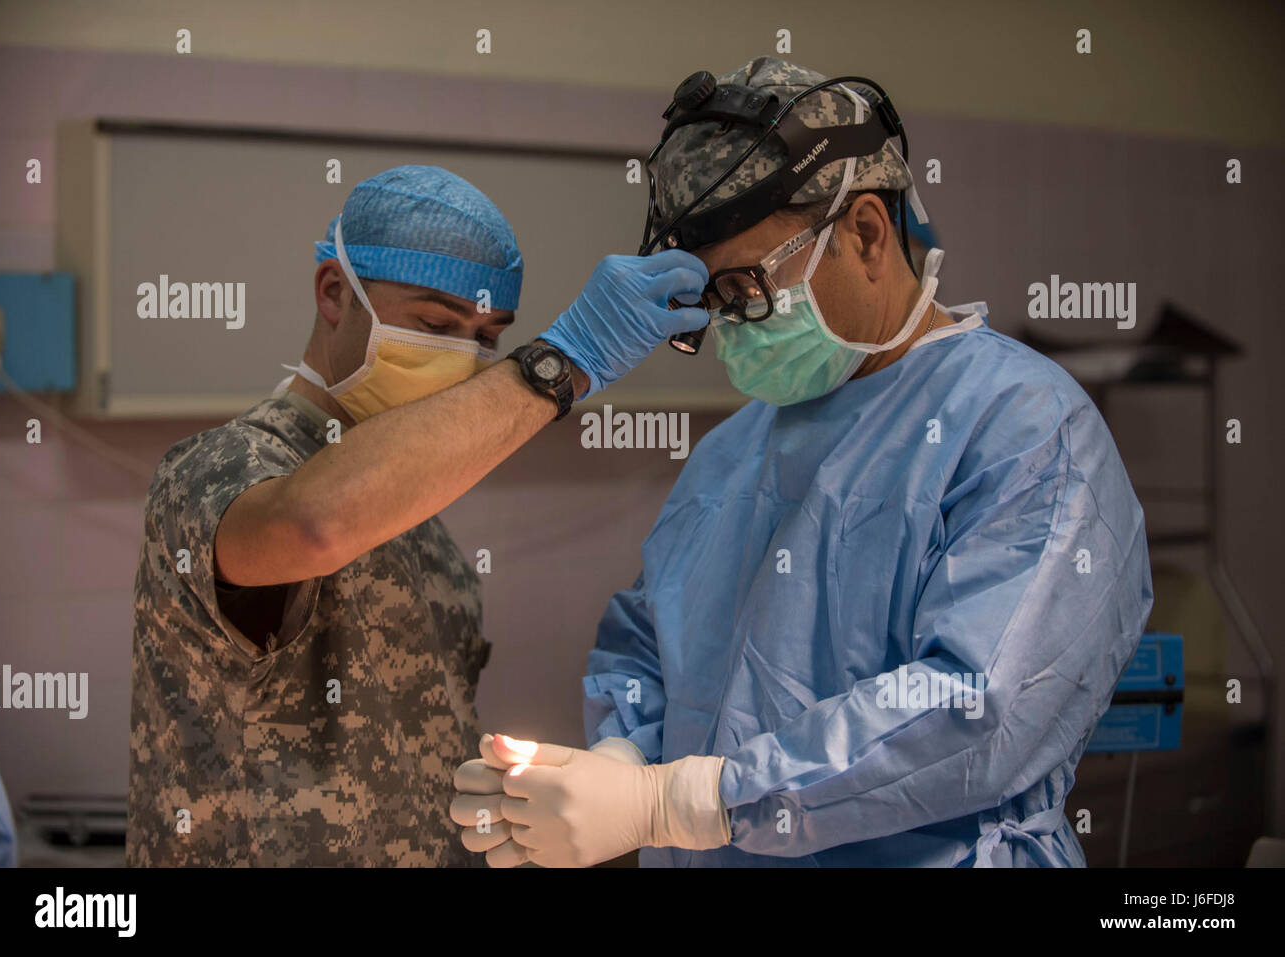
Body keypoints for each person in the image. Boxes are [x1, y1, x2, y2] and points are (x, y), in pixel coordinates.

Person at [450, 58, 1153, 868]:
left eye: (750, 287)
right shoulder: (733, 451)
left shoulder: (1027, 428)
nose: (734, 324)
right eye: (715, 302)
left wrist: (682, 803)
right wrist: (623, 762)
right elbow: (647, 638)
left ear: (864, 234)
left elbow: (977, 707)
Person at [128, 165, 709, 866]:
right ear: (334, 294)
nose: (464, 357)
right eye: (436, 324)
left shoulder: (426, 535)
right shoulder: (217, 470)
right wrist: (563, 362)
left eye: (489, 336)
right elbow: (313, 525)